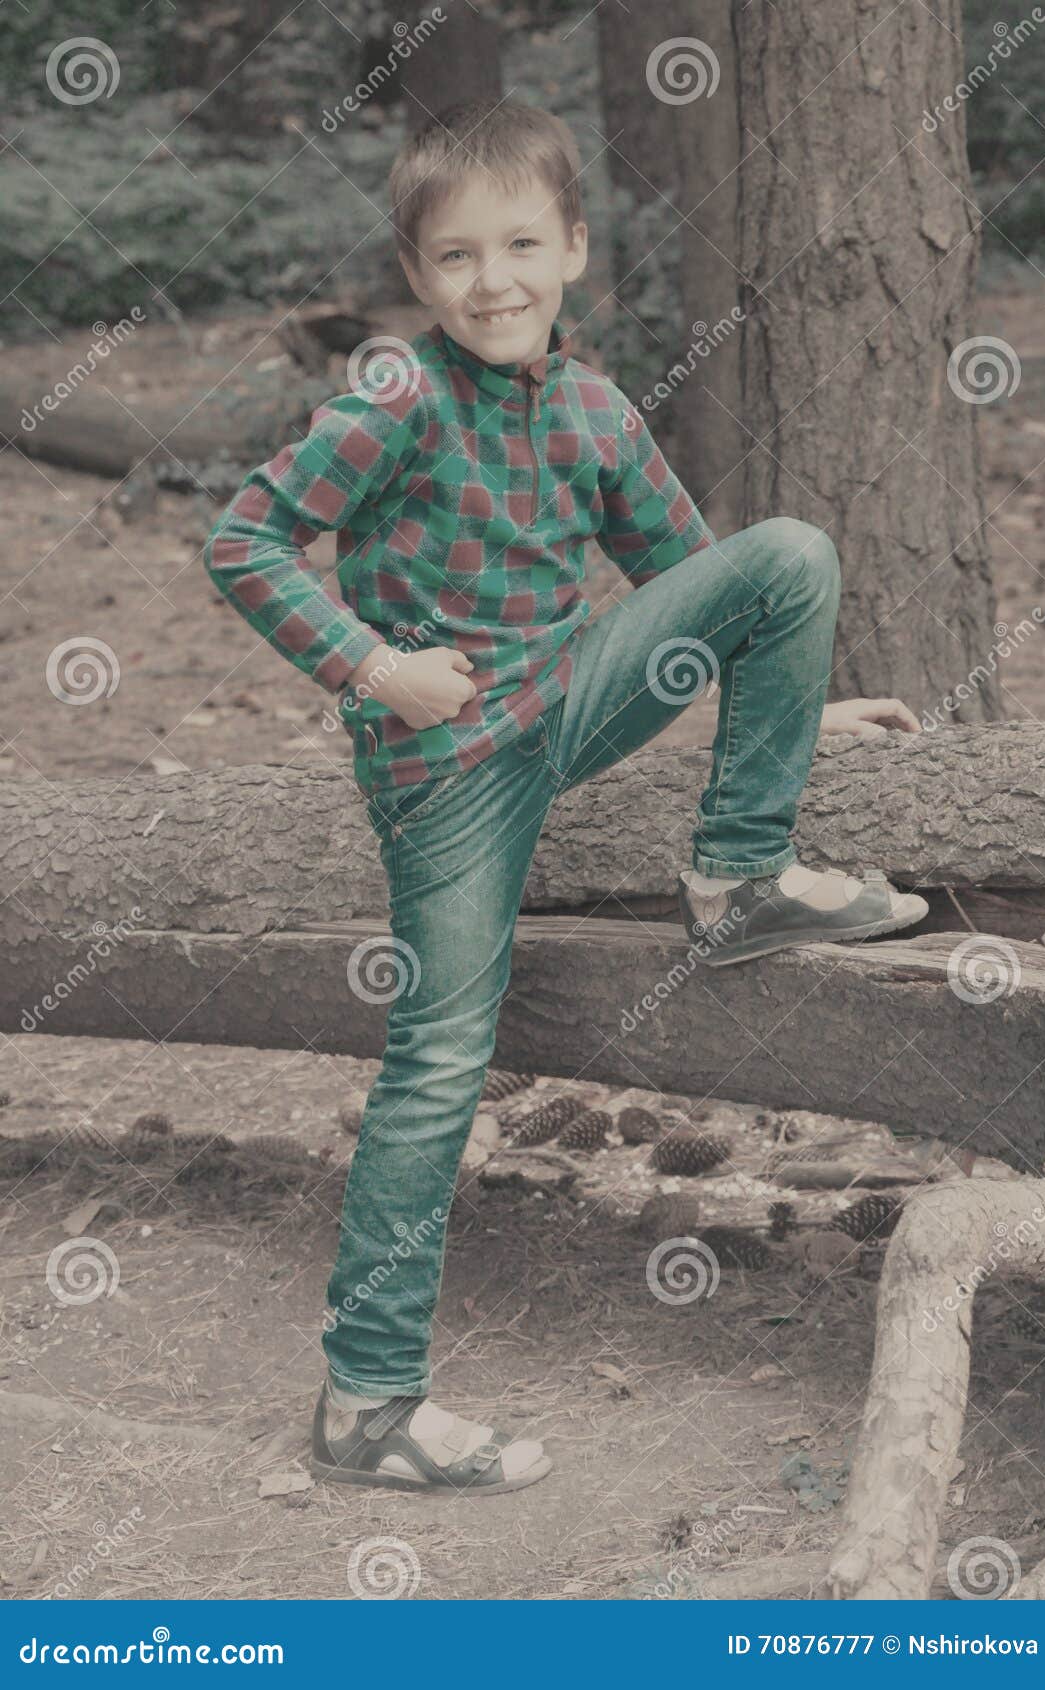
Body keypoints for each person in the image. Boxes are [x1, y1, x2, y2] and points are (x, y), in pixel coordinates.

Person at [203, 97, 927, 1497]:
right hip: (448, 766)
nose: (495, 280)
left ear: (575, 247)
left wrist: (794, 707)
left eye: (522, 243)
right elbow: (246, 540)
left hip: (570, 705)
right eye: (458, 256)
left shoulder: (593, 408)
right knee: (439, 1054)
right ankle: (367, 1401)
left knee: (789, 555)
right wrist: (375, 665)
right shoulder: (395, 398)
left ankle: (739, 875)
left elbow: (700, 582)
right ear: (418, 278)